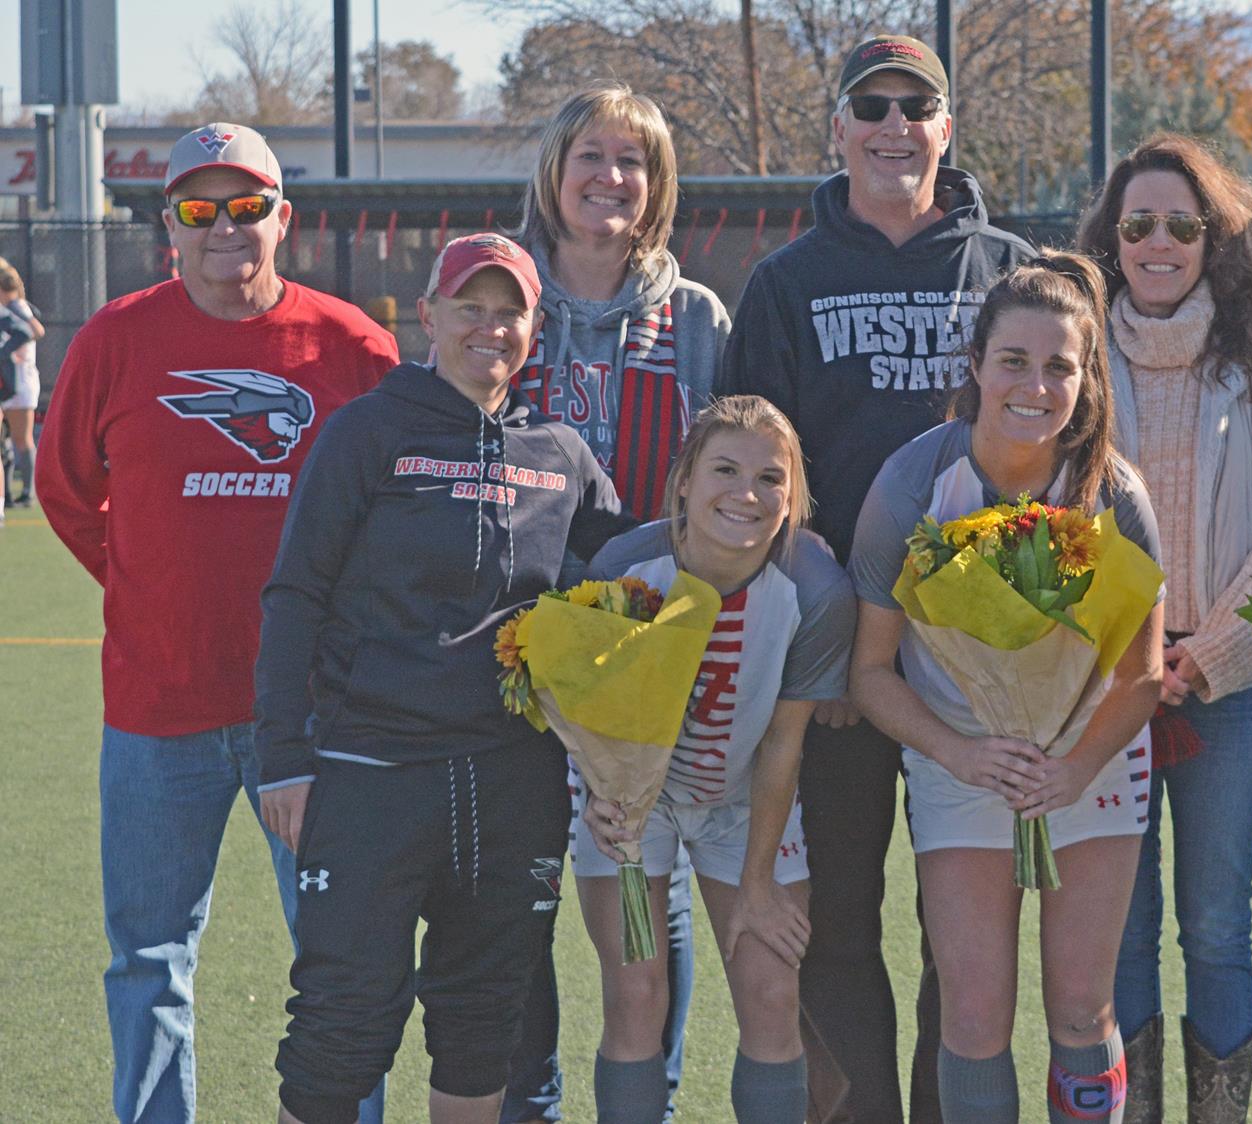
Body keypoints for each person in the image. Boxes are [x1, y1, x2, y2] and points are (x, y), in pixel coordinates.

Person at [36, 123, 398, 1124]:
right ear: (170, 226)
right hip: (158, 709)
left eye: (247, 206)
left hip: (316, 717)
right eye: (200, 209)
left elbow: (399, 506)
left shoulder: (354, 348)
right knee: (148, 958)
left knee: (341, 956)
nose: (224, 227)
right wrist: (144, 583)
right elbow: (65, 490)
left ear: (284, 219)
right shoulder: (115, 338)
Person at [717, 33, 1031, 1123]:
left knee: (965, 931)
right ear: (839, 128)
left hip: (980, 672)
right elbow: (752, 479)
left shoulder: (1010, 270)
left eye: (916, 106)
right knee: (838, 924)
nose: (894, 126)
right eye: (872, 106)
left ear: (947, 128)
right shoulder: (784, 282)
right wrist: (834, 645)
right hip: (836, 671)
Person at [254, 233, 629, 1124]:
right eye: (471, 307)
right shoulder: (367, 432)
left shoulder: (562, 454)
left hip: (511, 782)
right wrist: (282, 758)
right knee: (341, 1025)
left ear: (535, 330)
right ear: (428, 314)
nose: (490, 328)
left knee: (483, 1024)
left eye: (510, 313)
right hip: (374, 773)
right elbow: (295, 595)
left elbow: (623, 595)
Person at [846, 251, 1165, 1124]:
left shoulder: (1115, 494)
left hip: (1091, 763)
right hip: (962, 765)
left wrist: (1073, 768)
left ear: (1087, 380)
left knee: (1081, 1008)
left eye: (1060, 367)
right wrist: (963, 754)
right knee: (975, 1014)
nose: (1036, 386)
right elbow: (869, 673)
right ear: (977, 364)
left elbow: (1141, 675)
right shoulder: (914, 483)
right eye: (1015, 361)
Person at [1072, 133, 1252, 1123]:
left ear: (1215, 238)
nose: (1158, 243)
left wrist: (1202, 659)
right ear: (1112, 238)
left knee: (1215, 928)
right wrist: (1127, 662)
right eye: (1139, 224)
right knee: (1118, 936)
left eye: (1182, 224)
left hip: (1229, 692)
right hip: (1103, 688)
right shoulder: (1075, 355)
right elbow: (1057, 520)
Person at [505, 82, 733, 1122]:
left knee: (645, 881)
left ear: (658, 184)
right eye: (590, 156)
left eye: (632, 160)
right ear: (554, 171)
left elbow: (728, 479)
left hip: (647, 649)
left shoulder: (695, 317)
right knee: (516, 891)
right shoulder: (504, 295)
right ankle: (530, 1102)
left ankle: (650, 1097)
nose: (609, 177)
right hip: (514, 643)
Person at [576, 395, 854, 1124]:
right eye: (725, 470)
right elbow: (589, 711)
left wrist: (758, 881)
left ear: (792, 498)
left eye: (770, 478)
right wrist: (602, 799)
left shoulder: (818, 589)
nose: (747, 494)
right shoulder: (624, 568)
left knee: (770, 992)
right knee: (636, 995)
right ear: (684, 483)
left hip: (744, 804)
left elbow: (784, 743)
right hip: (634, 802)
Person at [0, 256, 43, 510]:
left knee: (21, 439)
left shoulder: (16, 307)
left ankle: (28, 492)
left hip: (22, 379)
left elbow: (35, 330)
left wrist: (5, 352)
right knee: (8, 440)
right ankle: (8, 493)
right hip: (10, 380)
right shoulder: (15, 306)